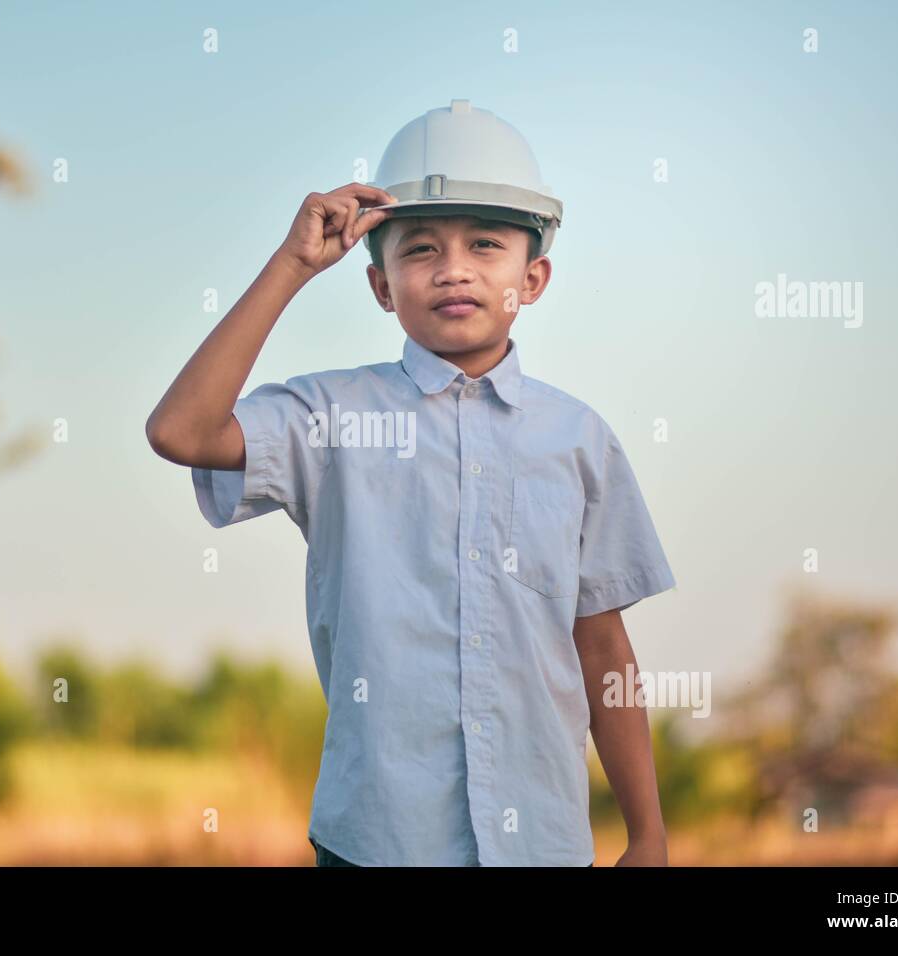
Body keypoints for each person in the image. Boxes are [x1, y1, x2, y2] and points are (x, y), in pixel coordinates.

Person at [147, 102, 675, 867]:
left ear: (532, 278)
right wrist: (292, 265)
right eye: (420, 249)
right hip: (378, 842)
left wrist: (649, 832)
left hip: (545, 844)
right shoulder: (328, 417)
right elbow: (181, 432)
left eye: (485, 245)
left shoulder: (580, 439)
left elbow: (602, 646)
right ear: (381, 287)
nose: (453, 269)